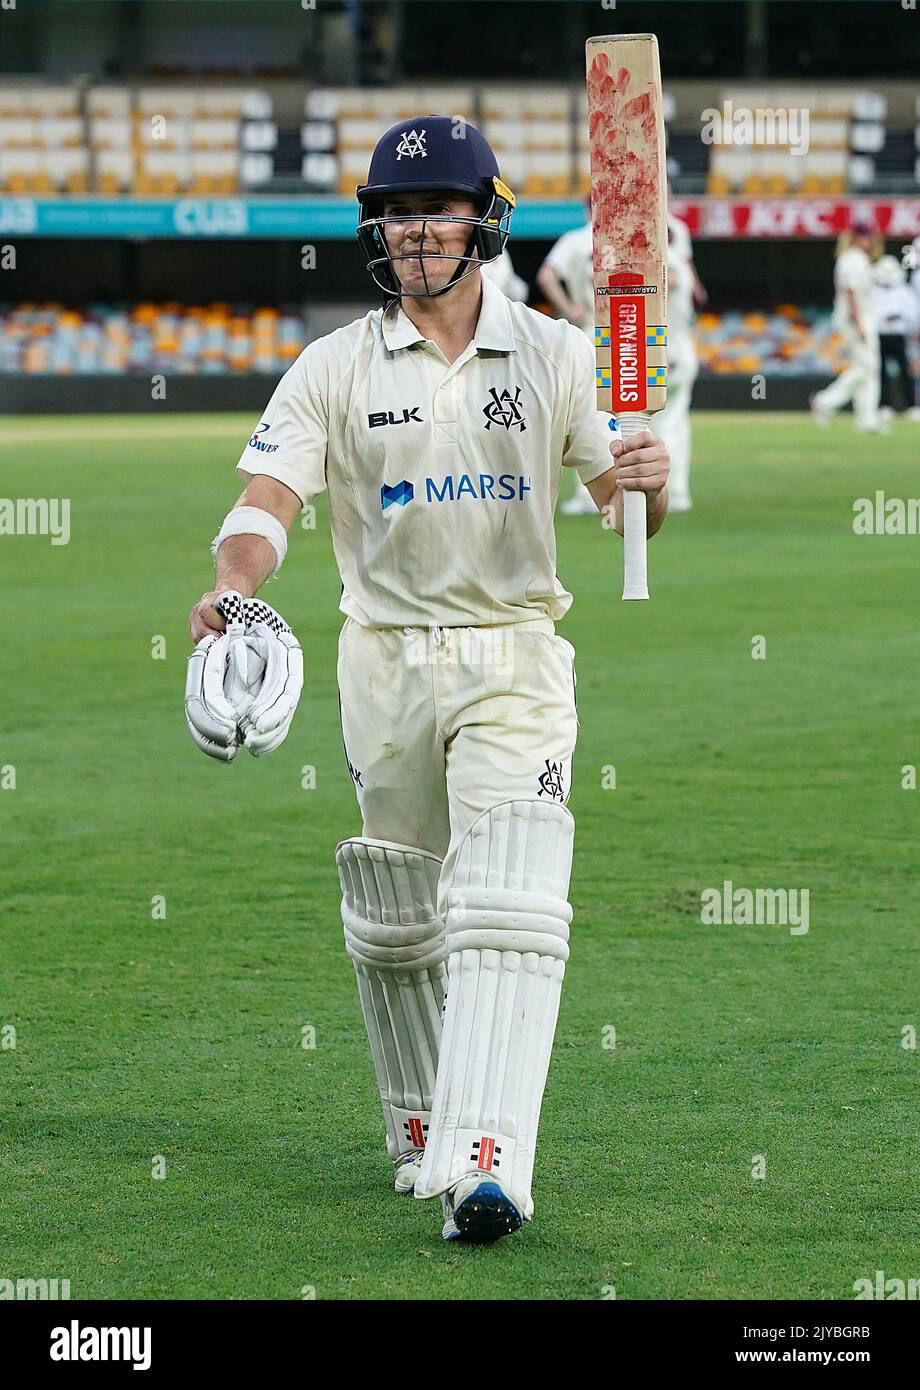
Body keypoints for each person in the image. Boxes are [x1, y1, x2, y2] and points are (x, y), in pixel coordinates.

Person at [187, 116, 669, 1245]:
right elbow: (264, 504)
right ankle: (418, 1120)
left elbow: (621, 509)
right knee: (399, 911)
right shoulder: (333, 366)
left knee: (506, 893)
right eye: (395, 215)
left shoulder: (553, 354)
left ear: (482, 223)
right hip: (384, 660)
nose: (411, 233)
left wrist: (645, 481)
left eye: (434, 212)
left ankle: (488, 1158)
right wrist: (232, 583)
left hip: (512, 652)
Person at [538, 200, 704, 514]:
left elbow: (546, 275)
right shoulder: (660, 232)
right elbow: (683, 282)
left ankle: (592, 497)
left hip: (601, 337)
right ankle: (676, 492)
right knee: (670, 420)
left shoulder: (577, 239)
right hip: (658, 339)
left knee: (595, 419)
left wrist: (571, 309)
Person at [810, 220, 884, 434]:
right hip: (856, 320)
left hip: (861, 319)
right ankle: (824, 401)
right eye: (867, 236)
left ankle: (866, 418)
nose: (870, 241)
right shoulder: (852, 259)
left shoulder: (859, 259)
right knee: (867, 368)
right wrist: (858, 322)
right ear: (858, 237)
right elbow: (851, 293)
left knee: (867, 370)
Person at [872, 254, 920, 421]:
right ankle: (884, 405)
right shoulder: (873, 290)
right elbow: (871, 313)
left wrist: (906, 325)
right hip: (881, 335)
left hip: (899, 335)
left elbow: (912, 313)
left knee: (907, 372)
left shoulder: (904, 290)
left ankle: (912, 406)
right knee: (881, 373)